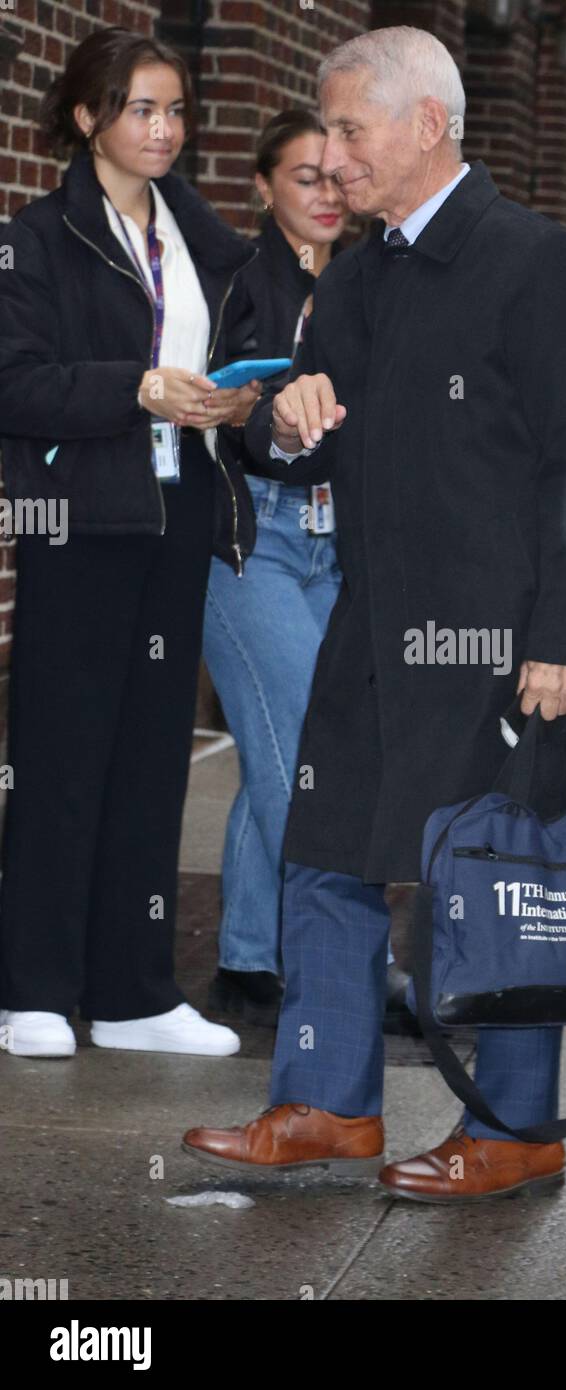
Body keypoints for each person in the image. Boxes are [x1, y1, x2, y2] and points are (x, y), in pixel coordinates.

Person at [182, 24, 566, 1199]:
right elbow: (299, 442)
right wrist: (281, 421)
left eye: (346, 128)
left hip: (501, 642)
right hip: (367, 624)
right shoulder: (362, 270)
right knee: (324, 852)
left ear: (426, 124)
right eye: (320, 131)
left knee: (496, 876)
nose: (329, 155)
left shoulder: (534, 261)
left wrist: (563, 641)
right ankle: (328, 1104)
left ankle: (515, 1127)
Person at [0, 27, 263, 1059]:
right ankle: (30, 986)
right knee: (62, 754)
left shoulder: (203, 237)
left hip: (178, 509)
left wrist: (234, 401)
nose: (164, 129)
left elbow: (226, 357)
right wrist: (135, 387)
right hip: (82, 520)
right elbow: (13, 382)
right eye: (141, 109)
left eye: (177, 110)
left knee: (153, 756)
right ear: (87, 119)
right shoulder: (37, 237)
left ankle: (133, 990)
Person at [203, 111, 345, 1027]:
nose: (327, 195)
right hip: (251, 541)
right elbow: (197, 397)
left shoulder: (371, 278)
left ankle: (251, 955)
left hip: (338, 541)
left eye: (338, 178)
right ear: (263, 186)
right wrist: (242, 404)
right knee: (296, 753)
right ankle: (331, 954)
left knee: (288, 751)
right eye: (305, 178)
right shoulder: (236, 278)